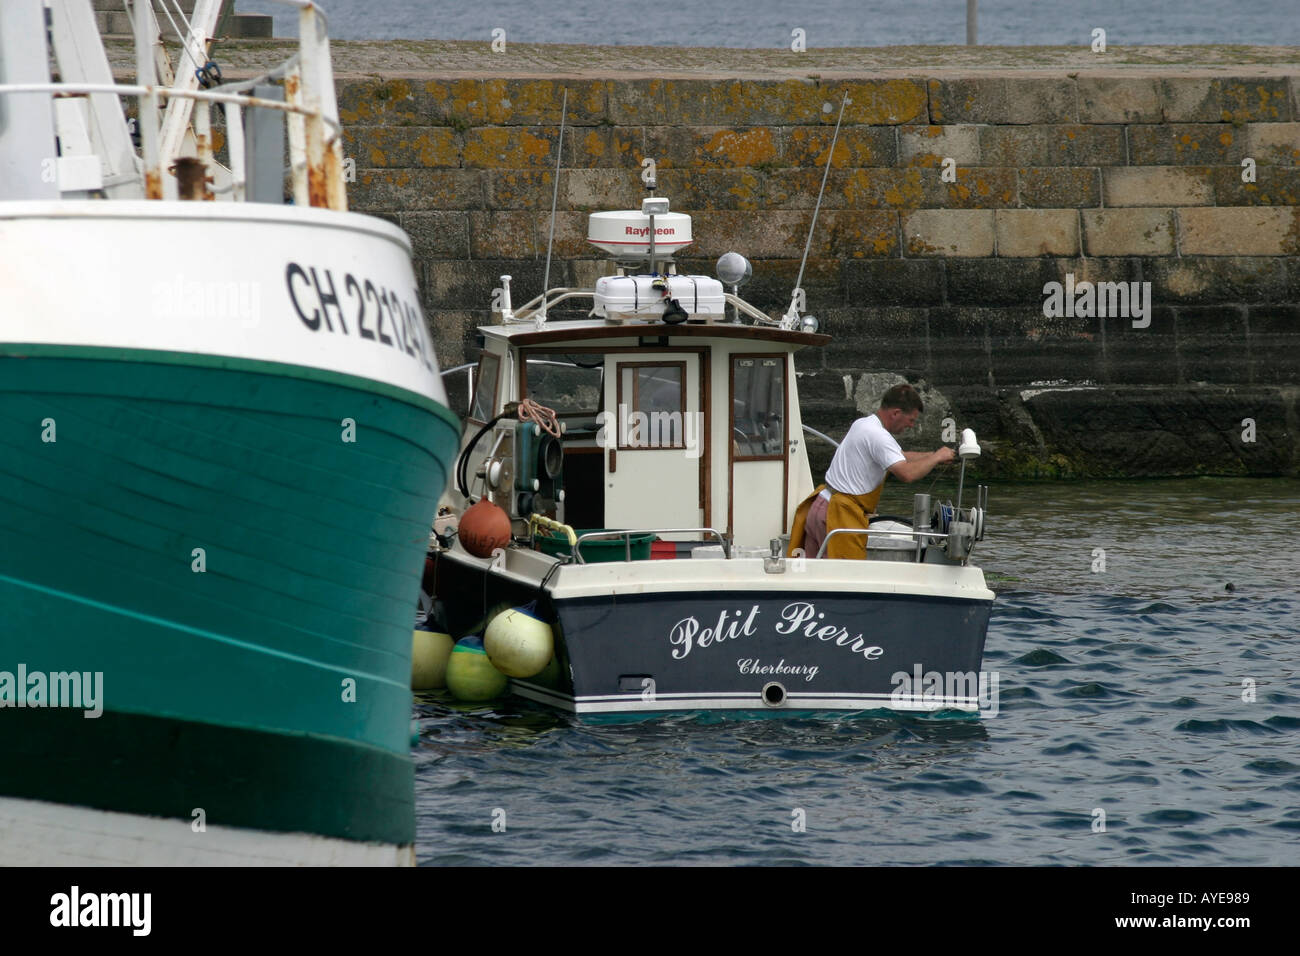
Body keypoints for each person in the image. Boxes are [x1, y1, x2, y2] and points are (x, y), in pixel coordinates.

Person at [788, 384, 955, 560]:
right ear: (896, 413)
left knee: (815, 575)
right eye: (911, 420)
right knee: (848, 578)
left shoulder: (864, 424)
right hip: (839, 515)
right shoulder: (879, 436)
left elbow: (901, 456)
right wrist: (936, 458)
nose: (911, 425)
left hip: (820, 506)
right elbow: (907, 473)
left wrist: (935, 455)